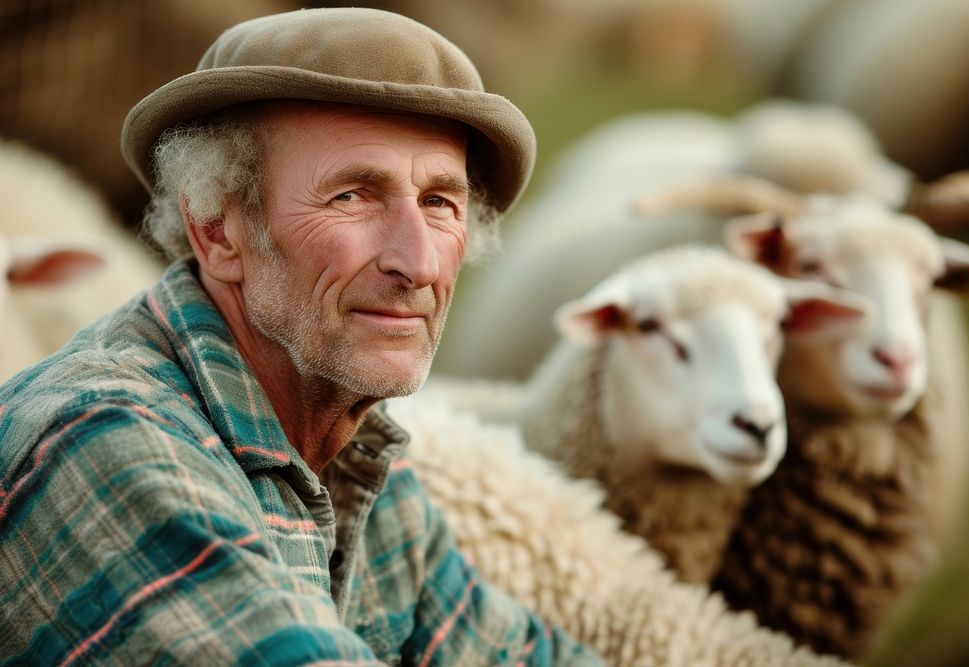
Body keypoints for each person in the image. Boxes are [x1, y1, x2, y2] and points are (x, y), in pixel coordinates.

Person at [0, 8, 603, 666]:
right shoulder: (106, 442)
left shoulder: (360, 458)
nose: (420, 263)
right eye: (352, 196)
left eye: (439, 203)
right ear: (217, 230)